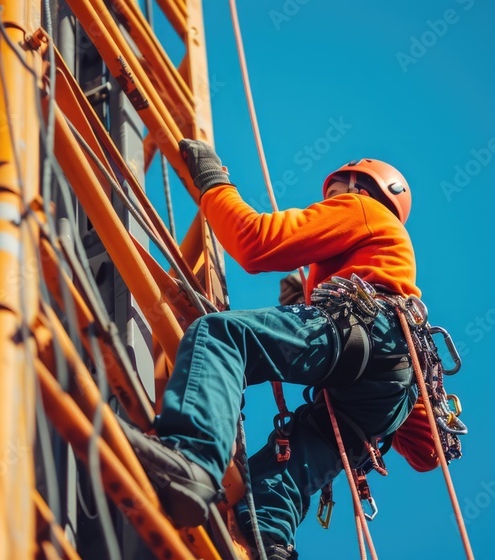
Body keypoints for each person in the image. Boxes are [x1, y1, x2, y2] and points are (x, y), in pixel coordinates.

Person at [118, 139, 439, 559]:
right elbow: (426, 451)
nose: (330, 202)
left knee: (222, 336)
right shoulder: (395, 279)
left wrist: (214, 184)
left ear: (361, 187)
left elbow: (255, 244)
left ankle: (192, 460)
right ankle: (268, 543)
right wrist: (306, 306)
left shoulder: (362, 208)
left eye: (336, 192)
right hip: (386, 381)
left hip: (363, 337)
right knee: (283, 473)